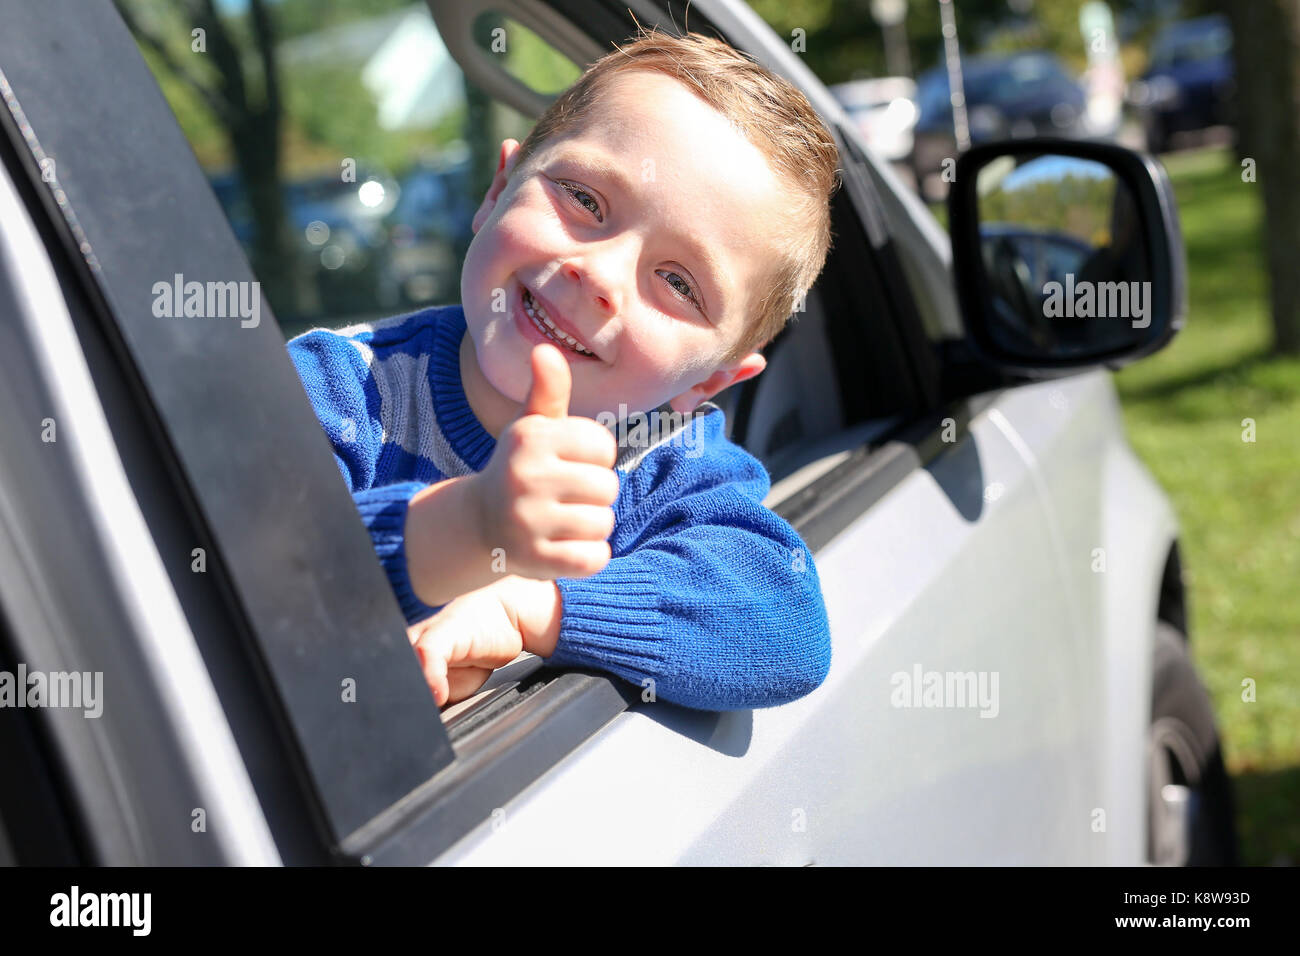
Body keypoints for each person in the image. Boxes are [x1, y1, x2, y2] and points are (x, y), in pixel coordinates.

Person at [288, 29, 840, 711]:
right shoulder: (340, 386)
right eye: (584, 198)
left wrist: (528, 604)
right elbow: (253, 568)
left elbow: (782, 620)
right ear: (496, 192)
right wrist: (472, 528)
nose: (600, 273)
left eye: (678, 281)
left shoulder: (659, 457)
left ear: (707, 384)